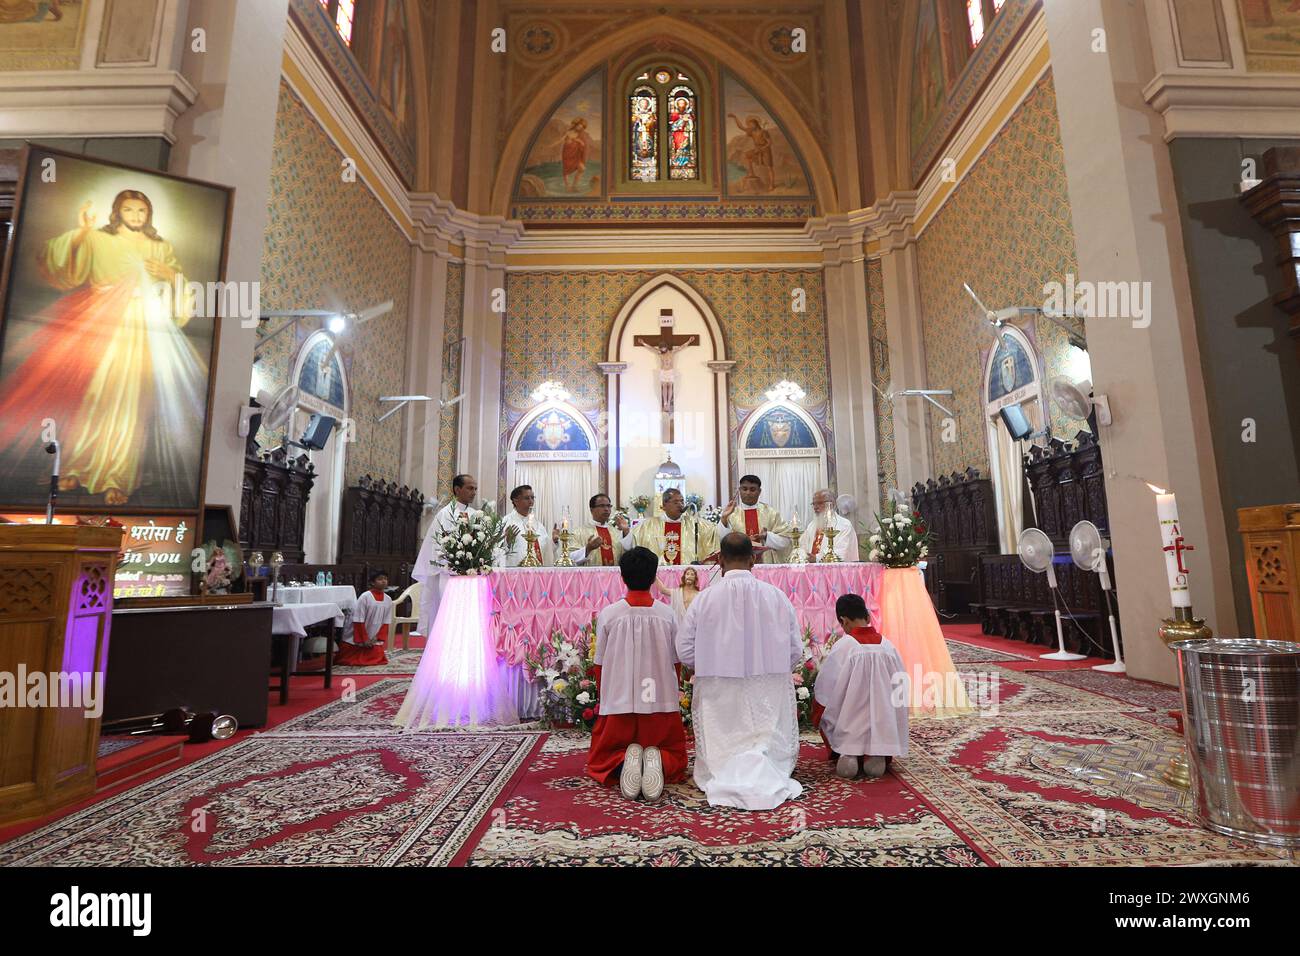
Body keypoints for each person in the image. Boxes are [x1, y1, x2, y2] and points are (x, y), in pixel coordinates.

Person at [677, 532, 804, 810]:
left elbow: (684, 650)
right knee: (764, 731)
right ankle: (766, 764)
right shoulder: (777, 596)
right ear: (753, 560)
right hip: (768, 684)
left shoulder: (704, 599)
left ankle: (724, 770)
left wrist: (708, 664)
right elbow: (795, 649)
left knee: (723, 733)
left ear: (720, 560)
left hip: (717, 684)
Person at [587, 547, 688, 801]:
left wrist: (606, 694)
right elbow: (676, 662)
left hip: (620, 701)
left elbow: (599, 663)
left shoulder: (610, 614)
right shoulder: (667, 615)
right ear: (654, 578)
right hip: (658, 701)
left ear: (622, 577)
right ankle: (659, 760)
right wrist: (673, 691)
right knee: (674, 753)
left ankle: (623, 763)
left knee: (603, 757)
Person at [812, 593, 909, 780]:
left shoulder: (845, 646)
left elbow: (826, 686)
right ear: (867, 617)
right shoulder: (889, 647)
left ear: (844, 620)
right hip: (883, 720)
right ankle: (876, 754)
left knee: (844, 719)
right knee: (880, 727)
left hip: (851, 719)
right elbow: (900, 684)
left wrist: (818, 710)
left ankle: (850, 753)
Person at [411, 473, 479, 635]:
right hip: (449, 575)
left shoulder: (476, 515)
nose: (474, 492)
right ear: (457, 489)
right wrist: (453, 563)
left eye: (475, 489)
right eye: (470, 488)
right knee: (448, 615)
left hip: (471, 576)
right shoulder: (445, 514)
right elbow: (436, 546)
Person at [622, 487, 719, 566]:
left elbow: (715, 534)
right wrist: (626, 530)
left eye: (682, 501)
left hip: (688, 577)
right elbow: (630, 544)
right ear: (664, 506)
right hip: (659, 577)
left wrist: (723, 521)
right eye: (675, 502)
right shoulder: (648, 525)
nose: (680, 505)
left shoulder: (696, 524)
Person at [718, 475, 792, 563]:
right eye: (744, 489)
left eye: (752, 489)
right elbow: (722, 540)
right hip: (740, 563)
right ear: (739, 490)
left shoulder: (771, 513)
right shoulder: (732, 514)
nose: (748, 493)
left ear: (759, 491)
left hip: (766, 564)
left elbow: (786, 541)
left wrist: (767, 536)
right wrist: (724, 518)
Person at [336, 571, 394, 667]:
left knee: (378, 658)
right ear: (372, 582)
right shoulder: (365, 597)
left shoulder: (388, 599)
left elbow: (386, 621)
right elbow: (358, 619)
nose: (384, 581)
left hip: (374, 635)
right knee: (349, 659)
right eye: (380, 579)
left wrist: (377, 637)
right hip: (360, 633)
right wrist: (364, 639)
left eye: (385, 579)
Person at [558, 493, 630, 566]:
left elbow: (627, 556)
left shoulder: (616, 532)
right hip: (590, 576)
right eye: (602, 506)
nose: (606, 509)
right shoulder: (579, 532)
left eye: (608, 506)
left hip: (614, 576)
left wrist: (626, 531)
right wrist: (588, 548)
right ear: (592, 510)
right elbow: (570, 559)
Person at [496, 484, 550, 567]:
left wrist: (554, 541)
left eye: (532, 498)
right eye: (527, 498)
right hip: (516, 573)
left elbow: (546, 549)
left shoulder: (538, 524)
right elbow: (495, 551)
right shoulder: (506, 522)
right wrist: (507, 542)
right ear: (516, 500)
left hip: (537, 572)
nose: (531, 501)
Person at [800, 488, 860, 562]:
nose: (815, 507)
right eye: (813, 504)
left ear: (832, 504)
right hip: (811, 570)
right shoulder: (811, 526)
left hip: (835, 571)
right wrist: (803, 555)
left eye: (820, 503)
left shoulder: (844, 525)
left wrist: (816, 558)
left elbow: (842, 551)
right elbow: (803, 545)